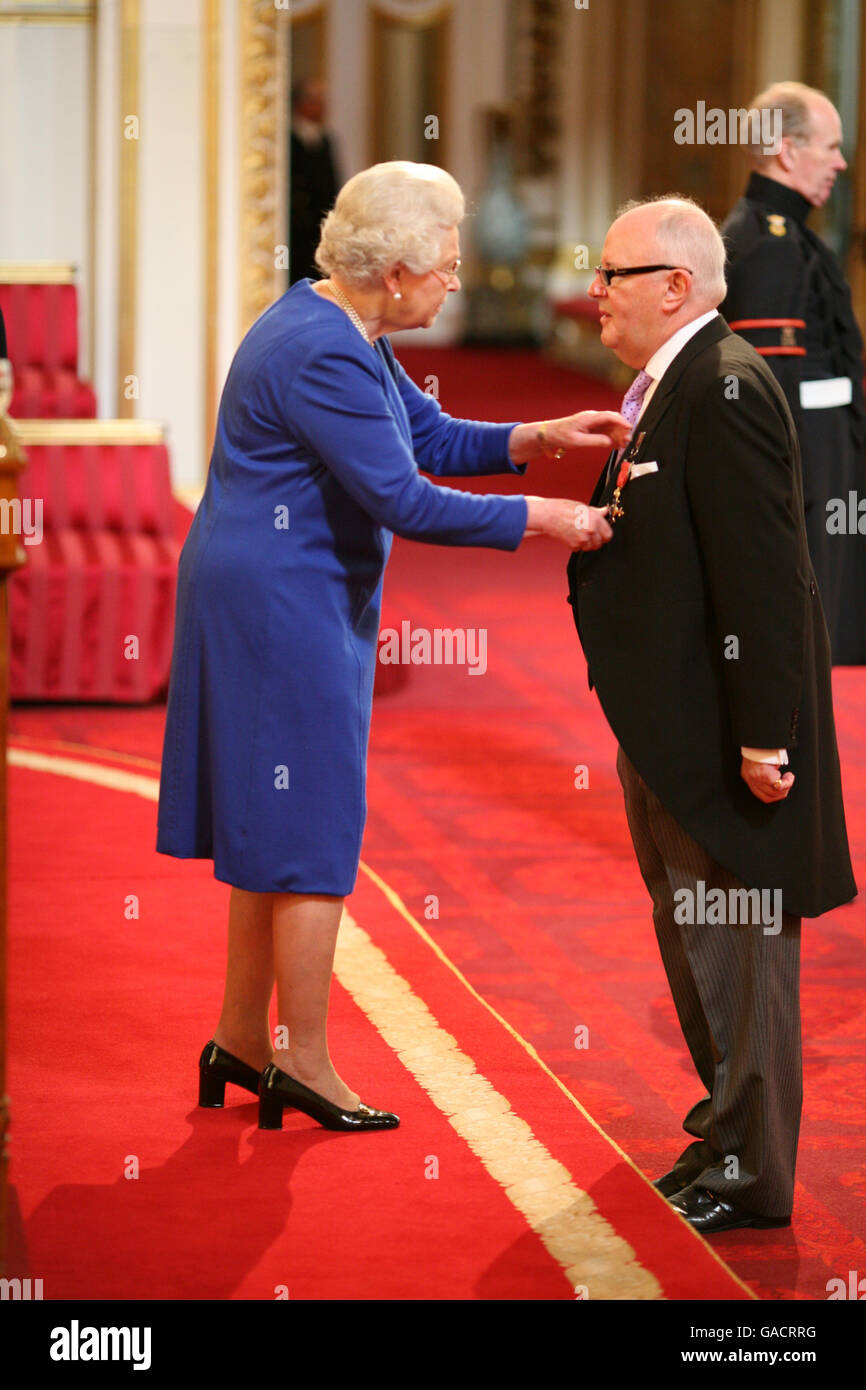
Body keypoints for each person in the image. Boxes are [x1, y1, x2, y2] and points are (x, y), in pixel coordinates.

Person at [157, 160, 628, 1135]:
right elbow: (402, 498)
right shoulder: (324, 349)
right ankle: (306, 1059)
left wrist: (538, 433)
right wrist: (544, 518)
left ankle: (244, 1040)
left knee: (270, 824)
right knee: (314, 825)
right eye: (445, 266)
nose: (455, 281)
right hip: (279, 600)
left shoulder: (336, 323)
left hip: (273, 586)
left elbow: (428, 435)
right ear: (397, 270)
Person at [567, 196, 856, 1232]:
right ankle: (726, 1130)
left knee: (736, 951)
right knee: (696, 942)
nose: (594, 293)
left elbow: (765, 580)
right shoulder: (675, 379)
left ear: (673, 287)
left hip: (722, 739)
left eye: (612, 275)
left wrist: (763, 734)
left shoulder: (722, 384)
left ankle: (754, 1170)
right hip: (669, 730)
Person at [721, 81, 866, 665]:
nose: (841, 162)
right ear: (785, 148)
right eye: (830, 147)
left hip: (821, 468)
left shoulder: (786, 237)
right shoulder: (768, 248)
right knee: (794, 647)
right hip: (804, 476)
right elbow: (769, 395)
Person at [289, 76, 340, 286]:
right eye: (317, 100)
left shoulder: (326, 139)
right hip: (297, 228)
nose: (323, 107)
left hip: (320, 226)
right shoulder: (289, 139)